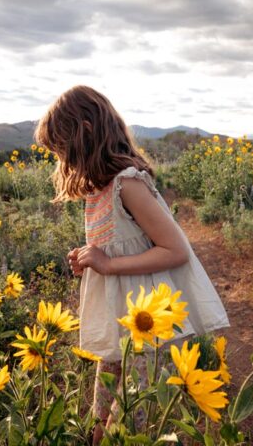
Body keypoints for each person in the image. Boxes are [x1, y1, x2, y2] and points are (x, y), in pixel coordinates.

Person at [34, 85, 230, 443]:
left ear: (86, 132)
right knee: (100, 423)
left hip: (149, 330)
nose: (62, 157)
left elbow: (175, 250)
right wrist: (91, 258)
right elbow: (119, 245)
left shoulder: (128, 184)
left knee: (127, 426)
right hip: (119, 326)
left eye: (62, 146)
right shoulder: (99, 188)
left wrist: (107, 264)